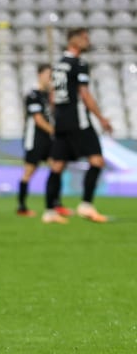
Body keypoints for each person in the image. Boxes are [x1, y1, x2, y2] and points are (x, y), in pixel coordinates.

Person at [47, 27, 114, 223]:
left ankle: (49, 211)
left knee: (57, 166)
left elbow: (52, 96)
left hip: (61, 120)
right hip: (78, 121)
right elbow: (84, 94)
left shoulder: (59, 65)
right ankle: (86, 205)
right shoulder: (79, 63)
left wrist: (56, 117)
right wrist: (101, 118)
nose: (88, 41)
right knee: (97, 161)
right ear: (74, 42)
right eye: (85, 38)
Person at [17, 64, 58, 220]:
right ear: (40, 75)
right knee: (29, 171)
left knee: (56, 167)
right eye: (49, 75)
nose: (50, 79)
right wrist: (54, 131)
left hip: (47, 139)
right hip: (34, 138)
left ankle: (55, 203)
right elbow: (38, 120)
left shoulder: (48, 96)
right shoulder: (33, 95)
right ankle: (21, 206)